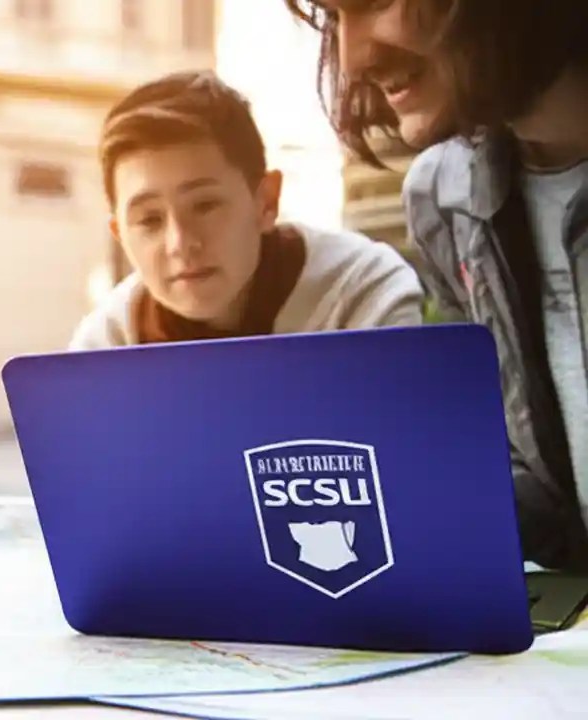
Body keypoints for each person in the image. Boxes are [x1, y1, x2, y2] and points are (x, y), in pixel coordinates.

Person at [284, 0, 588, 571]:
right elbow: (552, 496)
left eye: (373, 3)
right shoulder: (444, 198)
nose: (351, 60)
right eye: (334, 18)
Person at [71, 71, 422, 351]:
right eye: (150, 220)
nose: (180, 243)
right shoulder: (107, 345)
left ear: (266, 202)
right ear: (121, 236)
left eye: (205, 205)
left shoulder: (361, 292)